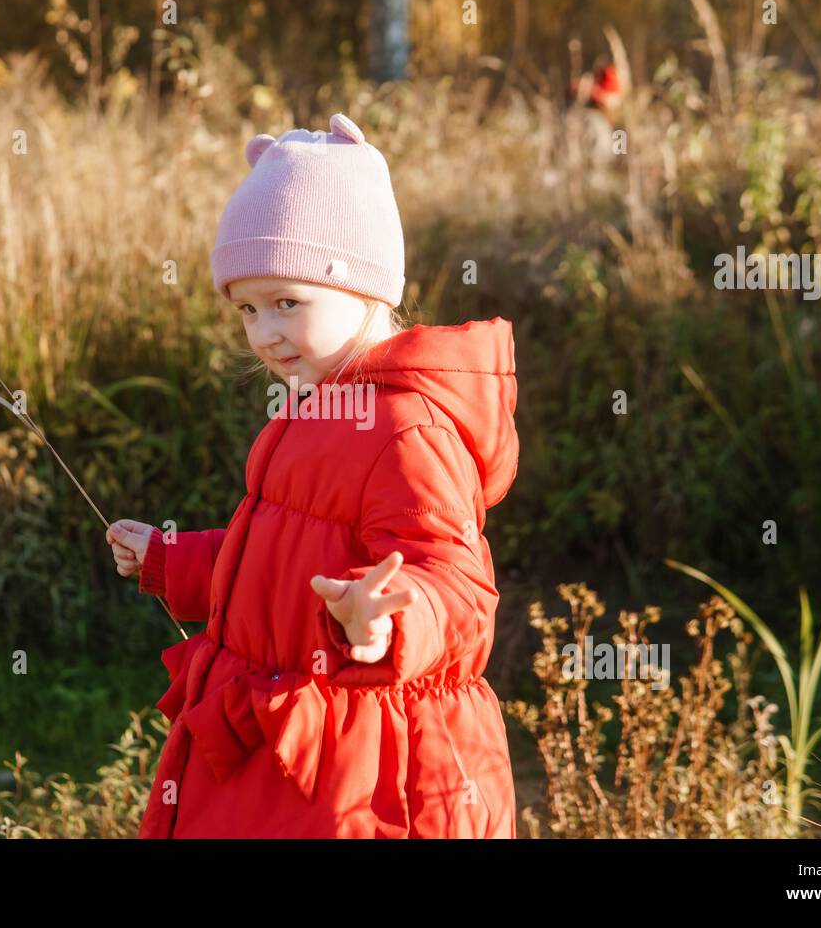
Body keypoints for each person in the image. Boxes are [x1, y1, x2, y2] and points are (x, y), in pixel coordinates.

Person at [106, 113, 519, 837]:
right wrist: (174, 558)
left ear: (365, 289)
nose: (264, 332)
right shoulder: (315, 409)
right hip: (282, 746)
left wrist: (387, 617)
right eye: (247, 309)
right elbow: (278, 560)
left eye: (287, 303)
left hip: (362, 771)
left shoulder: (404, 428)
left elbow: (458, 587)